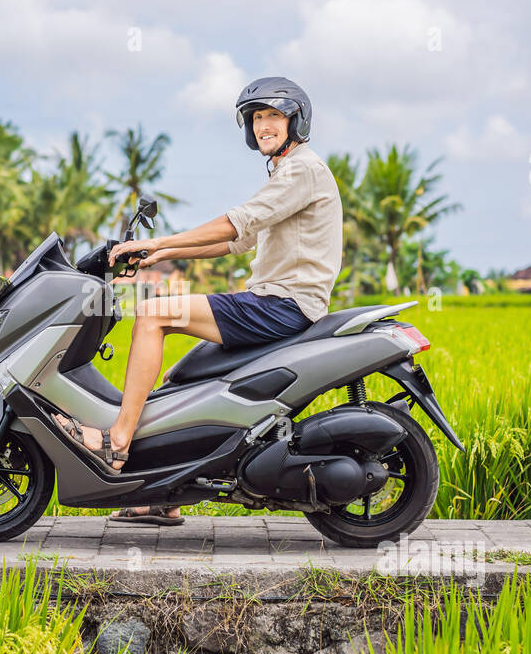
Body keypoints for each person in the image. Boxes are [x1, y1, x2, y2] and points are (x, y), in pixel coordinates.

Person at [52, 76, 343, 525]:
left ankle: (118, 440)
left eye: (274, 116)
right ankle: (165, 492)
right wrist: (162, 252)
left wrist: (164, 240)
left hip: (281, 305)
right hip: (271, 302)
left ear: (296, 121)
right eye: (257, 117)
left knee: (152, 315)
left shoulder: (303, 169)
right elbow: (239, 242)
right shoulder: (287, 171)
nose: (264, 125)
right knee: (181, 379)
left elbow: (236, 223)